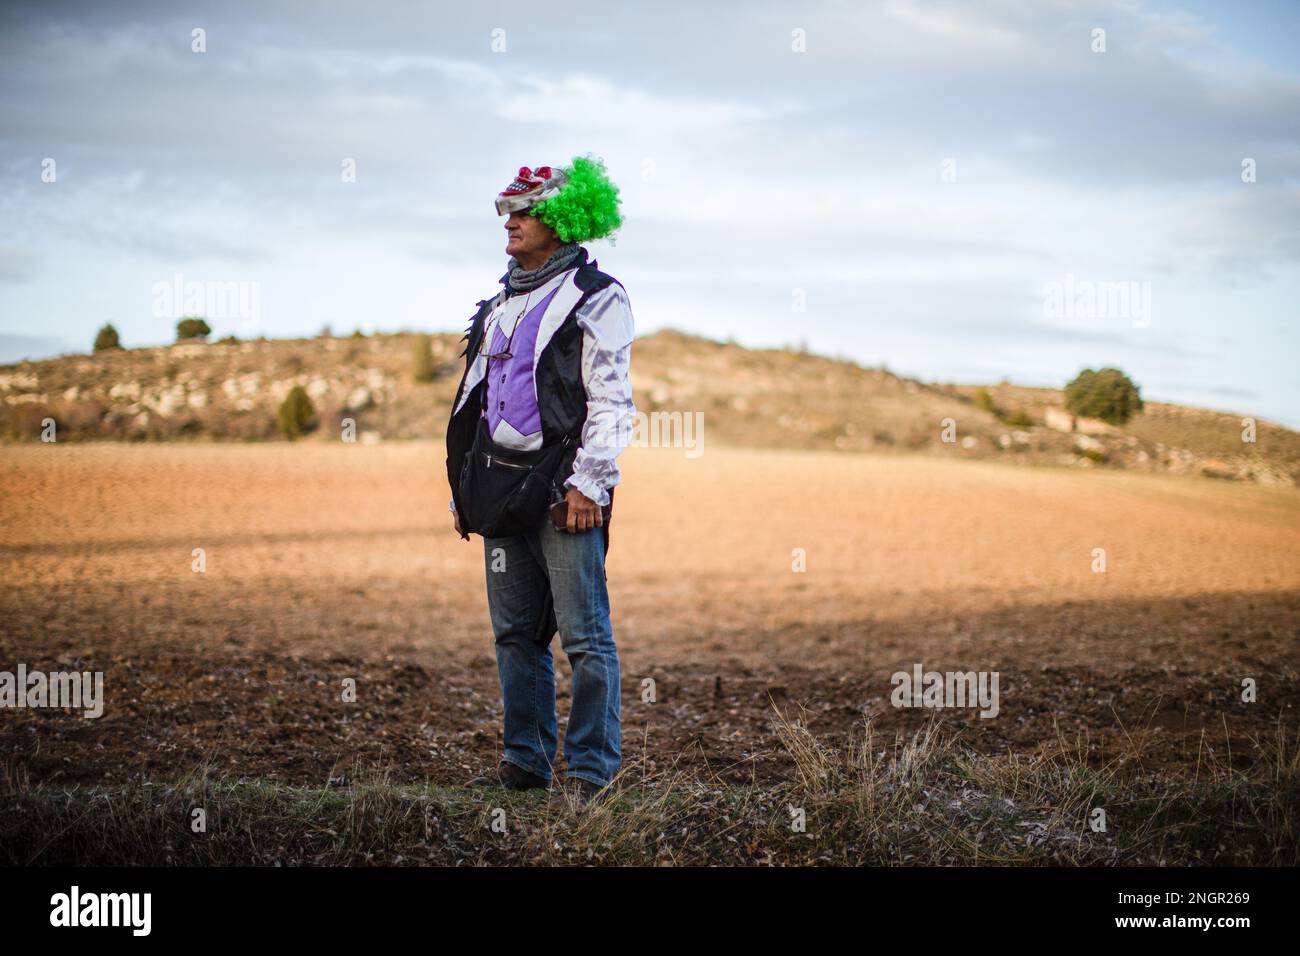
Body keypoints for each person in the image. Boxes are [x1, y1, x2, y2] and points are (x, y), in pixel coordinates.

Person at [445, 155, 635, 804]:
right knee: (514, 636)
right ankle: (524, 765)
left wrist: (591, 482)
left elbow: (612, 400)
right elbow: (476, 401)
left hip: (564, 493)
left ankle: (590, 775)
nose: (511, 222)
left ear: (560, 219)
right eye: (507, 210)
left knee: (585, 638)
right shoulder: (497, 304)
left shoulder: (596, 294)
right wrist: (462, 490)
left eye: (524, 211)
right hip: (499, 494)